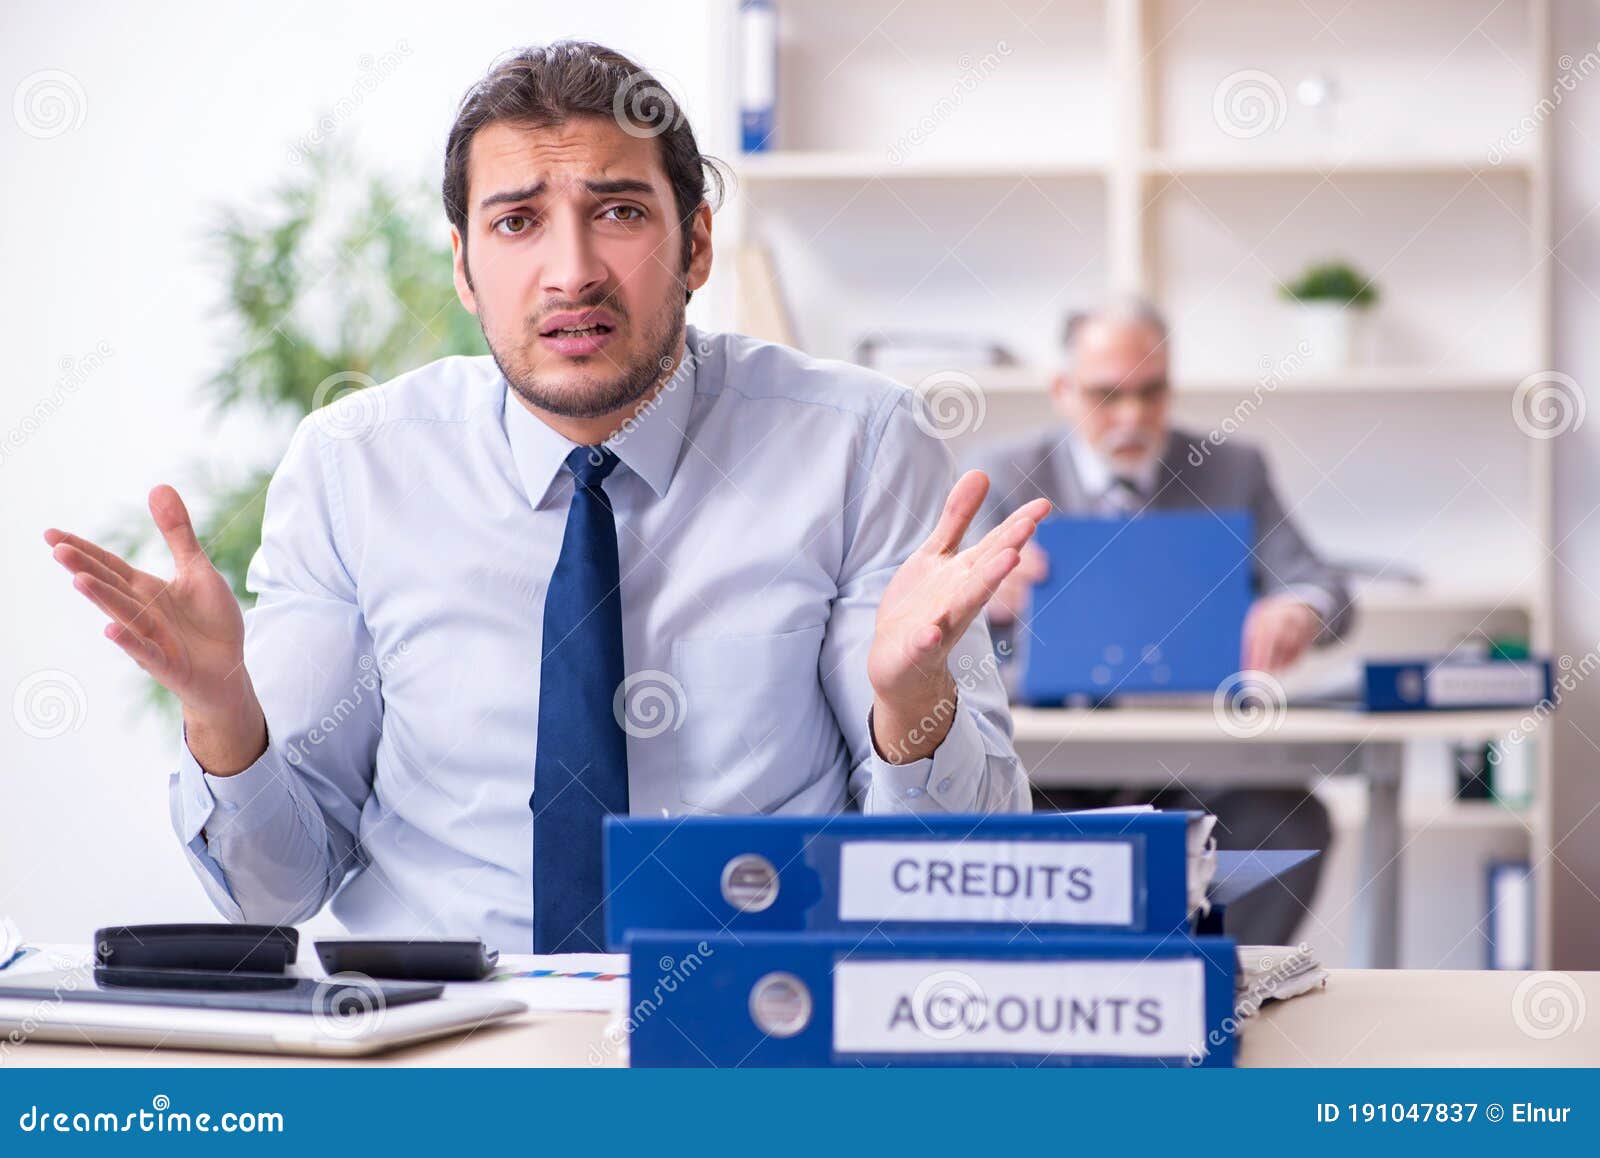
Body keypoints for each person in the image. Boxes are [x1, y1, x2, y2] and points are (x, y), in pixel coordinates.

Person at [44, 42, 1047, 954]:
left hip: (754, 1025)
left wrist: (913, 707)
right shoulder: (355, 467)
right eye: (517, 222)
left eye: (618, 213)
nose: (571, 273)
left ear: (695, 244)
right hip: (441, 1046)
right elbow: (278, 890)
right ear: (465, 267)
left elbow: (958, 874)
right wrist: (222, 711)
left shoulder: (859, 444)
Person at [969, 297, 1352, 944]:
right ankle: (1071, 1001)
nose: (1132, 416)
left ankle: (1213, 990)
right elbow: (936, 626)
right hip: (1051, 766)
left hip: (1194, 762)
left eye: (1152, 392)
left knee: (1289, 821)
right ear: (1062, 390)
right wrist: (987, 599)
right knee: (990, 821)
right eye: (1106, 395)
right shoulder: (1005, 475)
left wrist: (1300, 608)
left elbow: (1325, 588)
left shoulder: (1234, 468)